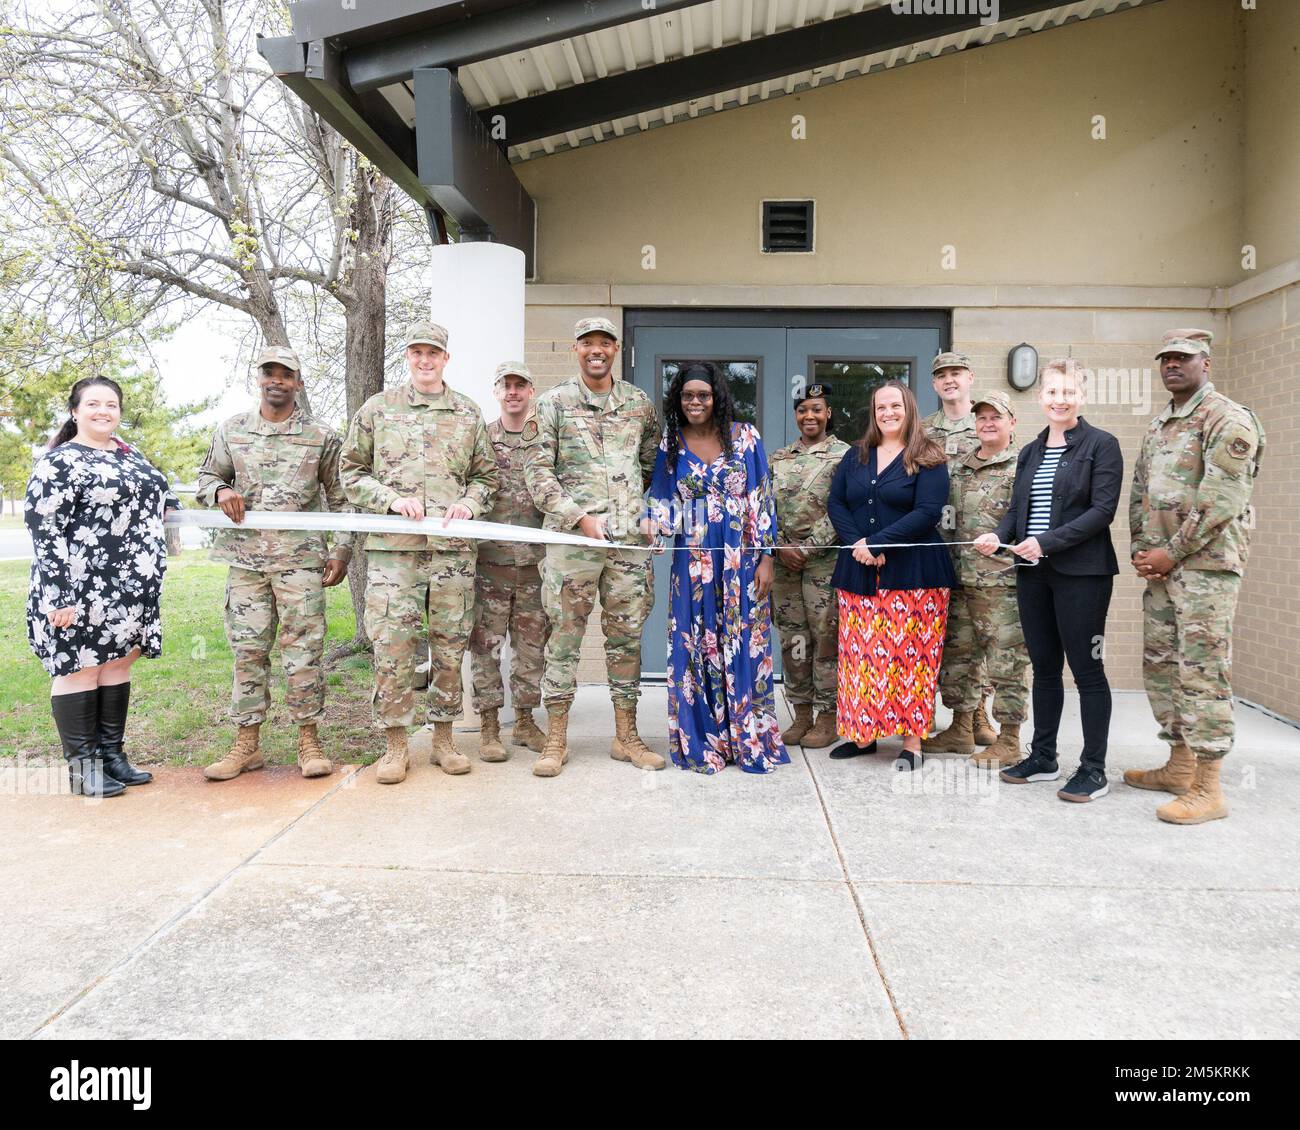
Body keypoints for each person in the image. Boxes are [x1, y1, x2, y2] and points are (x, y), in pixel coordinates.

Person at [340, 321, 498, 784]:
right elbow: (350, 472)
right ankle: (395, 745)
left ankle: (444, 739)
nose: (425, 360)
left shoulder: (467, 412)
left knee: (450, 646)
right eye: (417, 353)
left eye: (433, 353)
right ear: (407, 357)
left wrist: (470, 502)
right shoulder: (378, 409)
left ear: (445, 359)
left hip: (452, 552)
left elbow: (485, 477)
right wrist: (388, 499)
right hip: (396, 553)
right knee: (393, 646)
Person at [195, 345, 353, 782]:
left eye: (286, 374)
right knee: (248, 652)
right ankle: (247, 744)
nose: (277, 380)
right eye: (270, 373)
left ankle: (309, 740)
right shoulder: (233, 430)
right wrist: (220, 492)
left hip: (300, 562)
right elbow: (207, 477)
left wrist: (340, 550)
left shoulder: (322, 436)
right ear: (259, 378)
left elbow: (342, 500)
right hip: (246, 562)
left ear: (298, 383)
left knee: (304, 652)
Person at [1125, 329, 1264, 824]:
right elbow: (1141, 490)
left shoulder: (1227, 418)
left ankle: (1209, 787)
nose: (1172, 366)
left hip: (1205, 568)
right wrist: (1144, 551)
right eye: (1165, 358)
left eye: (1182, 358)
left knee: (1203, 671)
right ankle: (1179, 765)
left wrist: (1171, 552)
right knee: (1163, 665)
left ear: (1206, 362)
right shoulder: (1161, 424)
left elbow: (1222, 502)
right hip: (1161, 570)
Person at [975, 358, 1123, 803]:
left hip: (1083, 574)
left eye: (1068, 392)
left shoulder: (1102, 445)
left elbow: (1102, 512)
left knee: (1087, 670)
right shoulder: (1031, 451)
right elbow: (1018, 512)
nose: (1060, 400)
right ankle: (1043, 756)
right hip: (1032, 574)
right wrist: (997, 537)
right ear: (1040, 397)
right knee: (1043, 668)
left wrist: (1046, 543)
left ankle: (1094, 769)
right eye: (1053, 392)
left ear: (1082, 396)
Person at [521, 317, 663, 778]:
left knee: (626, 640)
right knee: (564, 639)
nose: (596, 351)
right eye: (587, 344)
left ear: (616, 348)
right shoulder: (553, 404)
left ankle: (626, 737)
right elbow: (538, 471)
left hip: (628, 546)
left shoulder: (638, 404)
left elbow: (651, 465)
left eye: (604, 343)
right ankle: (557, 737)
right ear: (575, 349)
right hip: (572, 543)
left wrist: (645, 514)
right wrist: (579, 518)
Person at [24, 377, 178, 797]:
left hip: (131, 585)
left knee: (117, 663)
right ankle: (84, 768)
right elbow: (45, 528)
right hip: (79, 586)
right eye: (93, 404)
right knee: (79, 667)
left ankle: (112, 757)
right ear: (75, 411)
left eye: (111, 404)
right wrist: (58, 595)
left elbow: (153, 494)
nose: (103, 411)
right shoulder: (60, 462)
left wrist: (168, 503)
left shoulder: (130, 454)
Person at [644, 362, 787, 774]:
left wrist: (766, 556)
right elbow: (663, 500)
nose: (695, 402)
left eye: (703, 395)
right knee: (695, 649)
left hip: (741, 563)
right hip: (692, 564)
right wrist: (653, 526)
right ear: (679, 399)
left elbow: (762, 498)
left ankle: (747, 740)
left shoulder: (745, 437)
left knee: (744, 646)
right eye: (688, 396)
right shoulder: (671, 442)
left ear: (716, 397)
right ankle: (706, 742)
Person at [827, 380, 955, 769]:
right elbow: (836, 503)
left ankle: (912, 742)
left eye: (895, 405)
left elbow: (928, 512)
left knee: (911, 657)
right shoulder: (857, 455)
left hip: (915, 574)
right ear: (873, 411)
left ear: (909, 408)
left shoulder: (928, 456)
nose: (888, 413)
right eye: (881, 407)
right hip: (859, 570)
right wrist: (860, 545)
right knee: (861, 657)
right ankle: (865, 734)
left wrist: (880, 543)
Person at [923, 390, 1029, 766]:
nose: (987, 423)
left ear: (1011, 423)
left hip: (1003, 583)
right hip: (959, 578)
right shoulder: (960, 468)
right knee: (958, 657)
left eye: (995, 418)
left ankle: (1011, 738)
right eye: (981, 418)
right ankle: (960, 728)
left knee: (1006, 661)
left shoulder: (1022, 465)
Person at [468, 362, 550, 761]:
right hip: (490, 563)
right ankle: (488, 725)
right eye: (506, 385)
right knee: (487, 646)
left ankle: (524, 721)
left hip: (537, 566)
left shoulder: (545, 440)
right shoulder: (481, 439)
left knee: (532, 649)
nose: (513, 392)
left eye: (521, 385)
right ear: (496, 391)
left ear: (531, 391)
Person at [771, 382, 851, 751]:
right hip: (785, 566)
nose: (809, 416)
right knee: (793, 639)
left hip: (824, 562)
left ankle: (828, 715)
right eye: (803, 410)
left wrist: (807, 546)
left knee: (825, 638)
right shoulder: (778, 458)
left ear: (828, 413)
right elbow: (761, 506)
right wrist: (779, 546)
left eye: (817, 409)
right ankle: (801, 711)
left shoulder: (846, 456)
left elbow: (845, 506)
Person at [923, 351, 995, 746]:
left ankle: (975, 714)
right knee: (944, 634)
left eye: (956, 373)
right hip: (934, 546)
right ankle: (940, 711)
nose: (949, 380)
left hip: (976, 544)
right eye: (942, 375)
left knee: (977, 634)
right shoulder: (922, 431)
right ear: (935, 385)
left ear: (970, 377)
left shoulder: (986, 424)